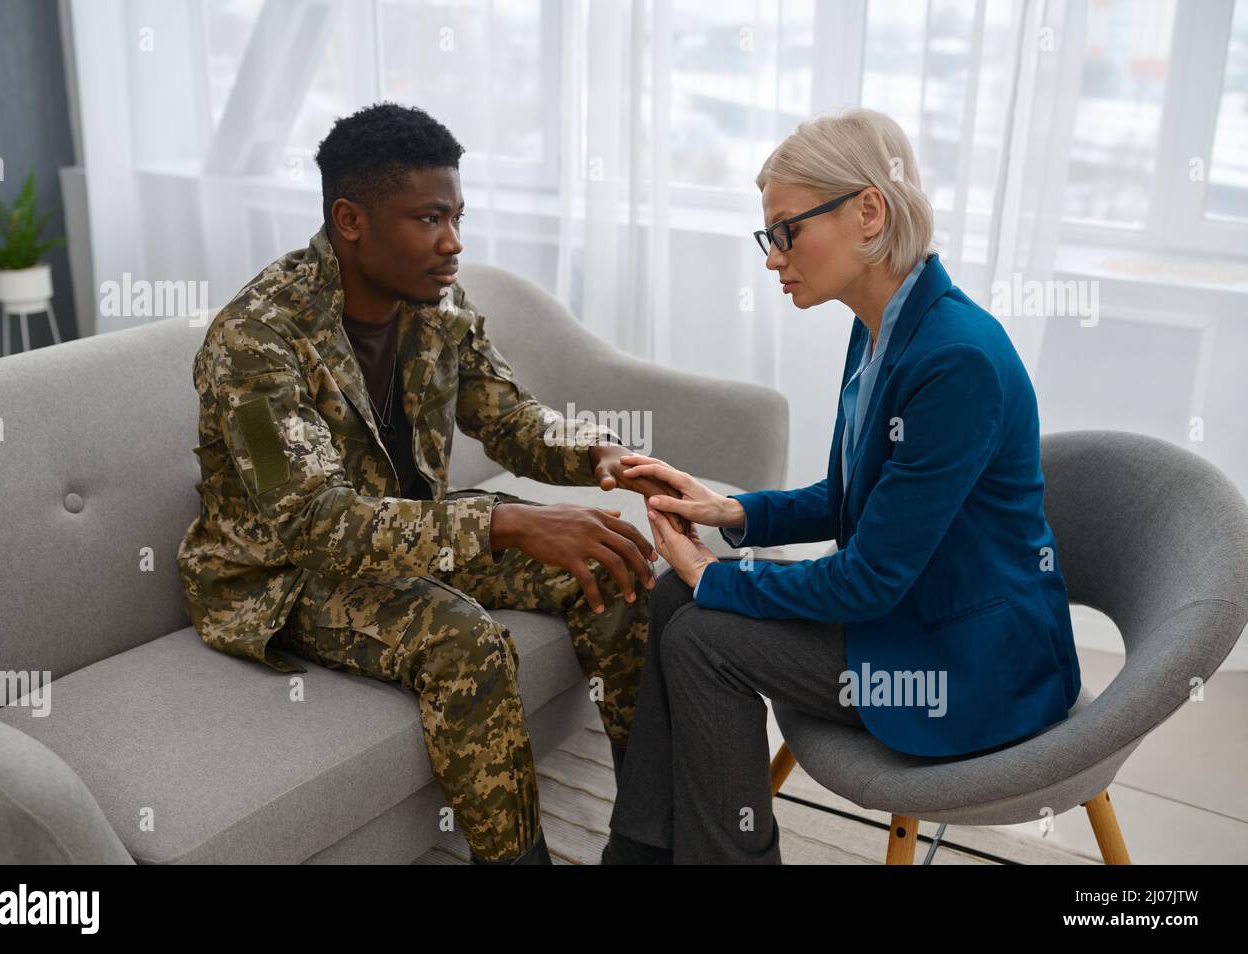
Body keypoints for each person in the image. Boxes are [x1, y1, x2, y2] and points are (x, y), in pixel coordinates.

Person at [176, 102, 679, 865]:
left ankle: (647, 841)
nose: (454, 242)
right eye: (429, 218)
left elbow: (505, 416)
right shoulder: (253, 343)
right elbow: (313, 522)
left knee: (619, 567)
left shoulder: (437, 302)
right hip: (285, 576)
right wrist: (508, 524)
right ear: (351, 219)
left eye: (457, 215)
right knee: (463, 640)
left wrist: (600, 456)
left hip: (413, 531)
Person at [601, 107, 1082, 865]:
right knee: (673, 595)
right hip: (912, 613)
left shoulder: (956, 360)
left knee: (703, 635)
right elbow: (848, 499)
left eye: (787, 230)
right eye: (771, 236)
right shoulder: (880, 327)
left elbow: (870, 581)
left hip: (967, 668)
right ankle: (639, 854)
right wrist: (729, 513)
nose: (773, 258)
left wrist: (716, 577)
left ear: (868, 211)